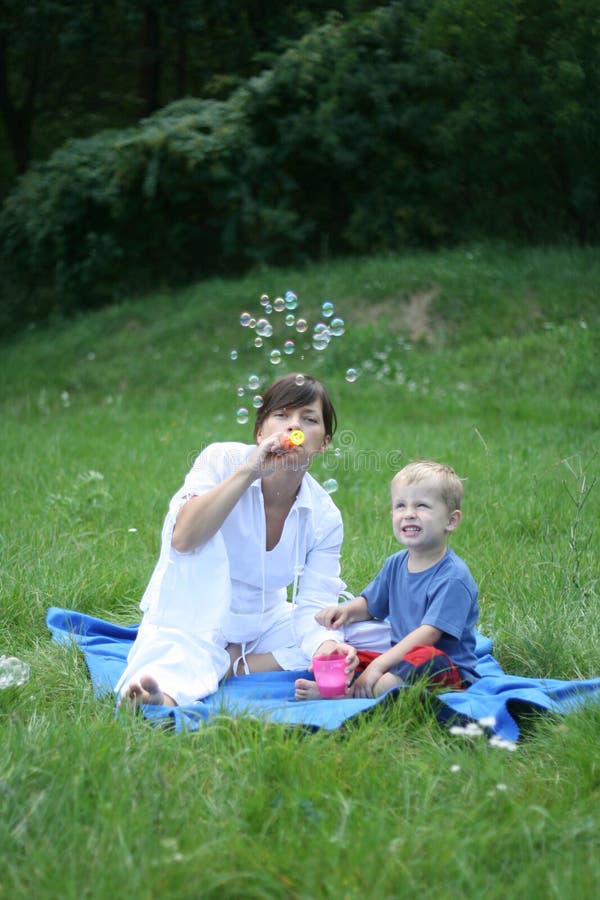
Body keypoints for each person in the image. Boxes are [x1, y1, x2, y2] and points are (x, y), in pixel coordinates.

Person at [116, 373, 390, 707]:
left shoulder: (324, 516)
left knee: (349, 634)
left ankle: (230, 665)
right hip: (195, 612)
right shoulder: (221, 461)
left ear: (323, 443)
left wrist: (324, 647)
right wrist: (250, 472)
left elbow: (315, 603)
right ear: (260, 432)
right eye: (281, 415)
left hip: (264, 622)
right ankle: (159, 696)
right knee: (176, 653)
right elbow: (185, 538)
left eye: (309, 419)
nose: (293, 426)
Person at [295, 459, 480, 700]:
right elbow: (372, 605)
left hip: (445, 670)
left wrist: (379, 665)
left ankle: (349, 693)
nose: (409, 514)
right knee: (352, 656)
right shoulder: (396, 563)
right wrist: (345, 612)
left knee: (421, 659)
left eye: (422, 506)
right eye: (401, 505)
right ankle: (343, 685)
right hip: (399, 658)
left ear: (451, 520)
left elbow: (428, 636)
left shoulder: (453, 576)